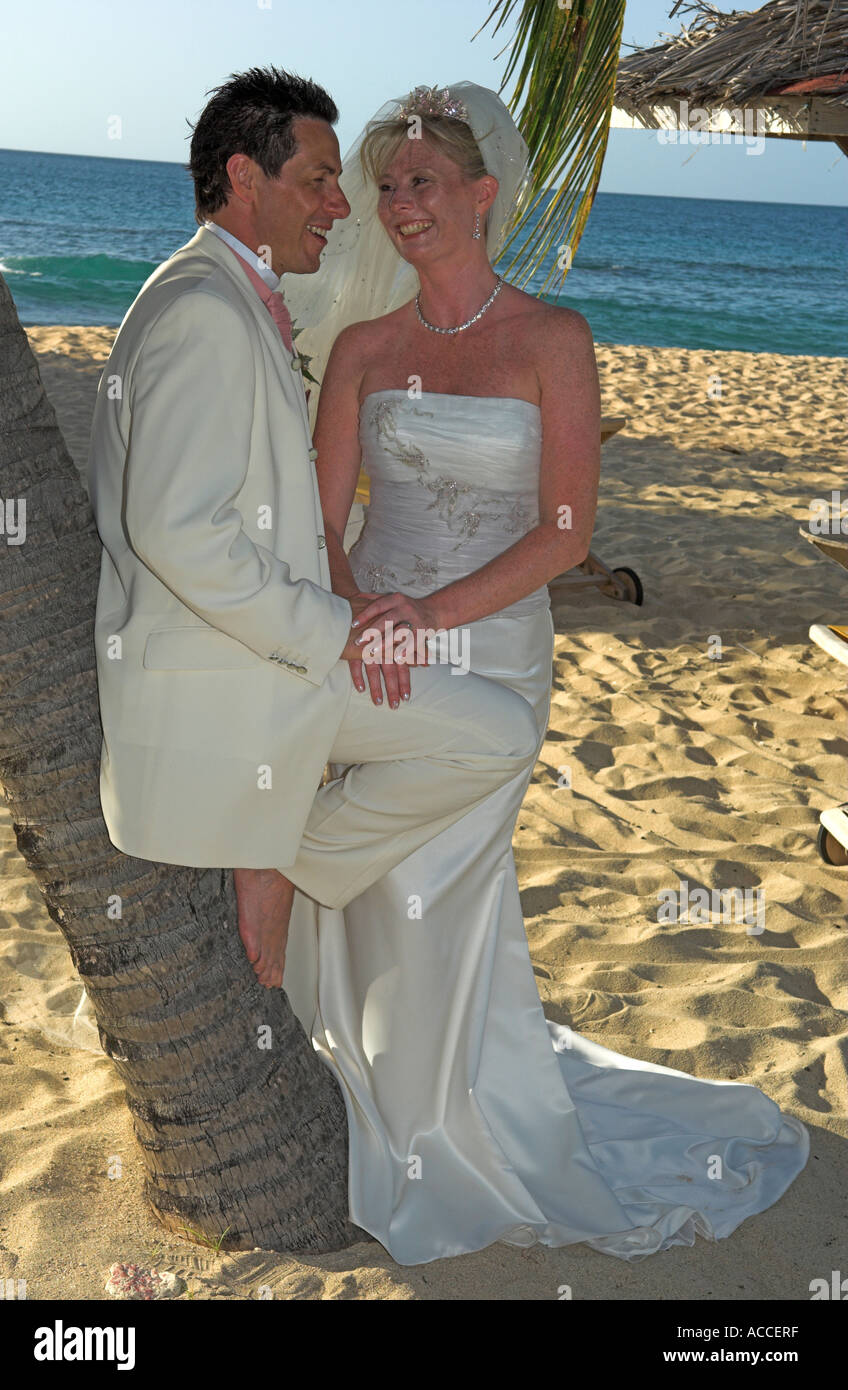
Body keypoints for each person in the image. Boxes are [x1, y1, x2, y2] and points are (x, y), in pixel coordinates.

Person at [279, 81, 810, 1265]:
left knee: (441, 891)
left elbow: (567, 530)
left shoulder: (553, 341)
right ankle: (361, 1099)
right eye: (388, 185)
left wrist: (435, 615)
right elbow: (321, 526)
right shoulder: (365, 348)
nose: (400, 203)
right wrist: (369, 613)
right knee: (373, 887)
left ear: (482, 194)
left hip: (494, 643)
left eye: (424, 182)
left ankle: (444, 1131)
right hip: (373, 636)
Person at [87, 67, 543, 991]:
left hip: (264, 644)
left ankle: (289, 850)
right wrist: (338, 630)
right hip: (236, 674)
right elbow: (178, 534)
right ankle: (290, 854)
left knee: (488, 729)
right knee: (494, 734)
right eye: (319, 180)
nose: (344, 206)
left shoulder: (223, 296)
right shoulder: (204, 314)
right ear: (245, 180)